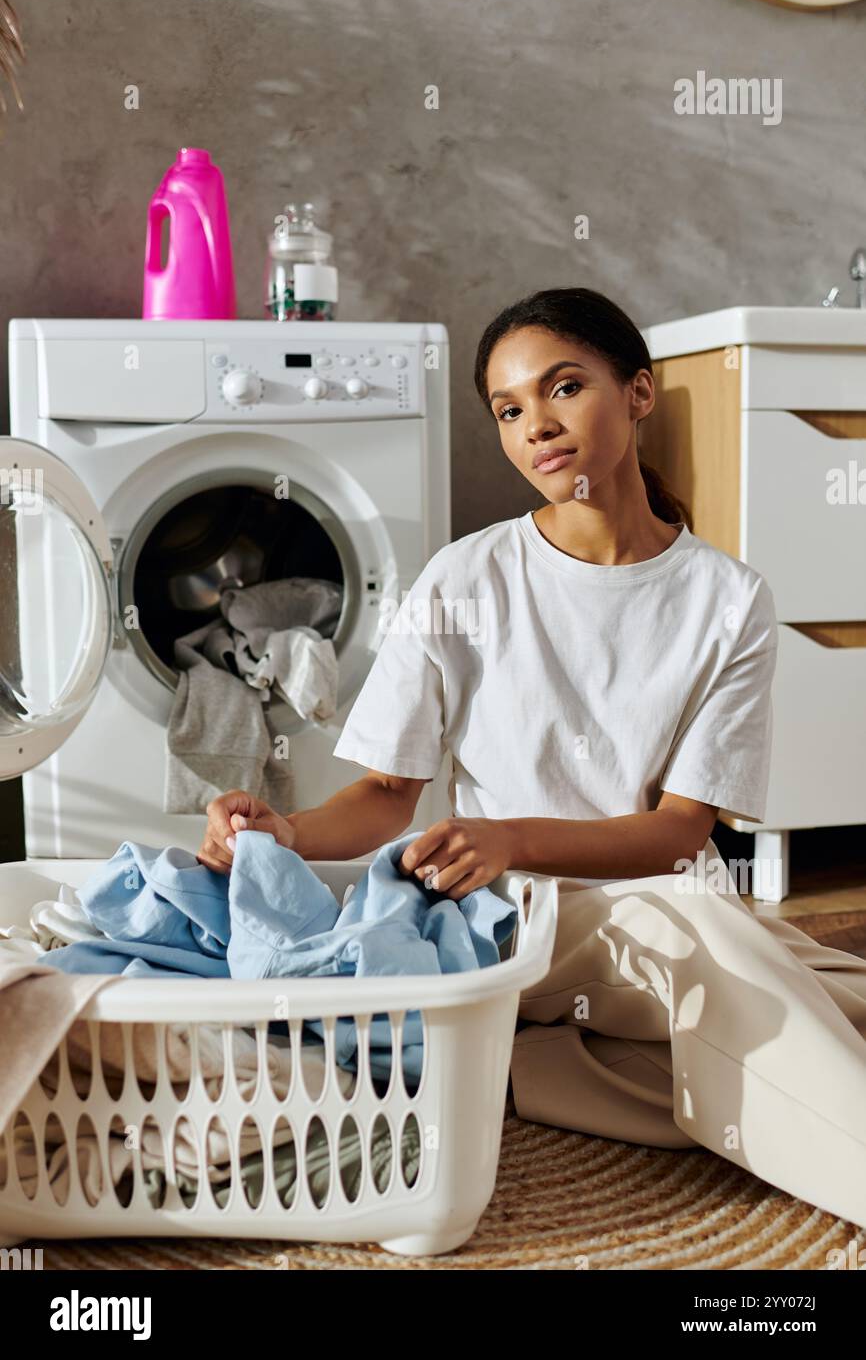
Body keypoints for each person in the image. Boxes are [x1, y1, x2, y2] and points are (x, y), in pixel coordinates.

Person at [197, 287, 866, 1229]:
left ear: (638, 393)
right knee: (742, 979)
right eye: (510, 411)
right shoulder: (466, 579)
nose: (536, 427)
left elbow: (680, 835)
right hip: (523, 925)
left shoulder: (728, 599)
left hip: (675, 899)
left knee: (820, 1002)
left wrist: (509, 832)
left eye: (563, 388)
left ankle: (531, 1069)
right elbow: (391, 793)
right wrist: (289, 829)